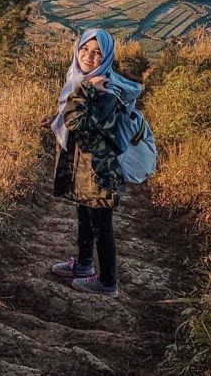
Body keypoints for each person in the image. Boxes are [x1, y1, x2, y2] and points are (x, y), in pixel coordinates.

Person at [40, 28, 140, 298]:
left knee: (101, 224)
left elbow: (77, 121)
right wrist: (55, 119)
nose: (88, 55)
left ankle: (107, 282)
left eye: (97, 52)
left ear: (106, 56)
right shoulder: (81, 80)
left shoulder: (104, 90)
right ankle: (84, 264)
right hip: (82, 165)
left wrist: (87, 89)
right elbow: (71, 114)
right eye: (85, 48)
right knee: (84, 215)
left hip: (99, 170)